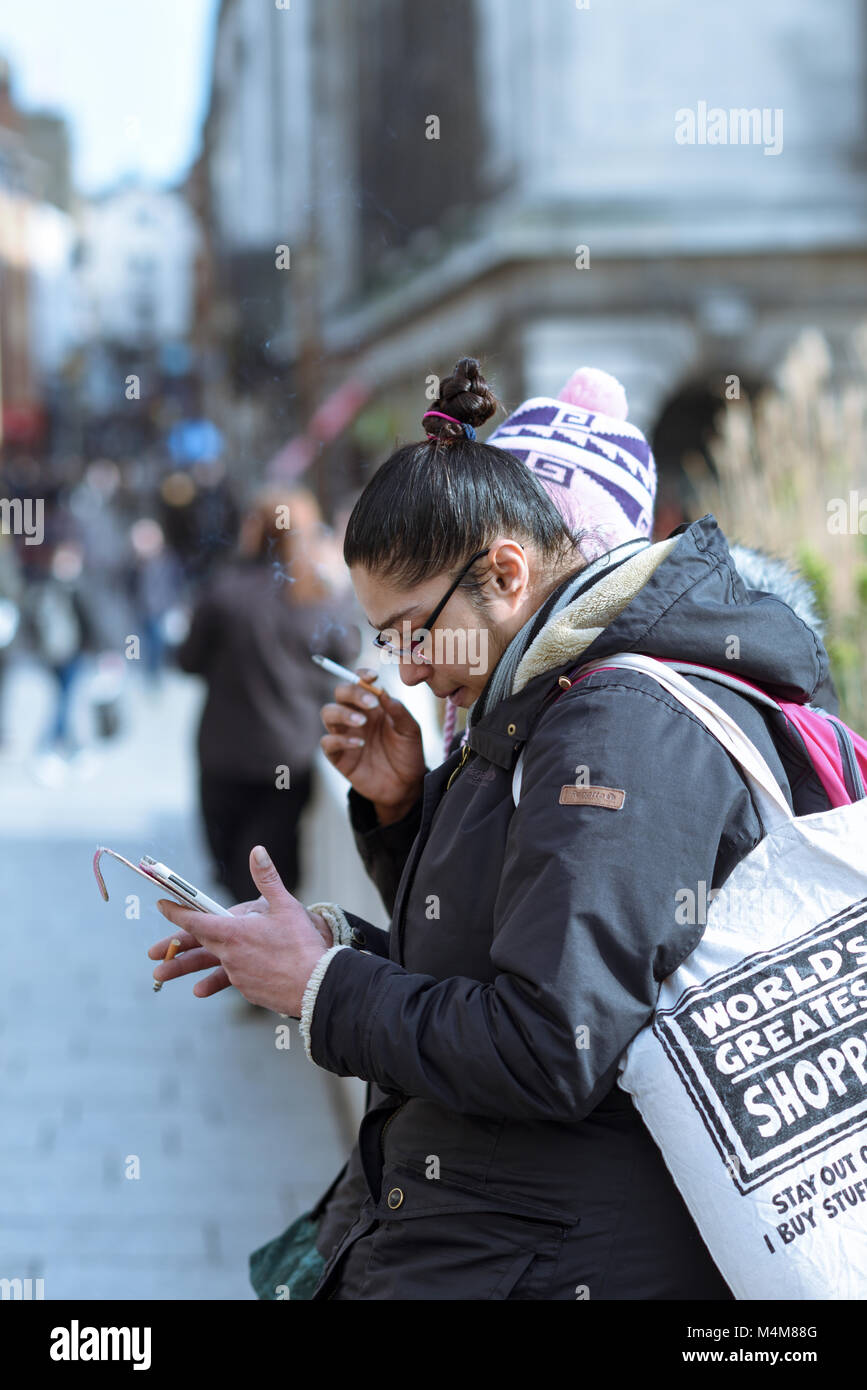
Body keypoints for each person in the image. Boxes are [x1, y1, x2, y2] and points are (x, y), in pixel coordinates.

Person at [150, 357, 839, 1300]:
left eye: (413, 631)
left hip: (561, 1258)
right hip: (506, 1240)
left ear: (506, 571)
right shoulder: (530, 701)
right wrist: (391, 829)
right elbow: (510, 945)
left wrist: (321, 987)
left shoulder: (614, 726)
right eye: (387, 641)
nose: (409, 669)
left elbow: (550, 1042)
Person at [176, 486, 359, 904]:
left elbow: (187, 660)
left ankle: (239, 958)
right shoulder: (320, 600)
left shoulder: (224, 593)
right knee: (271, 879)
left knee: (230, 874)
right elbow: (347, 656)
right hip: (289, 757)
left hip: (223, 755)